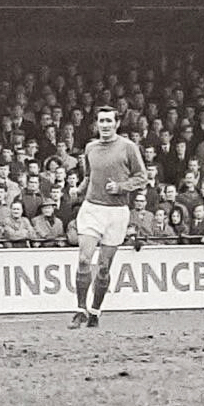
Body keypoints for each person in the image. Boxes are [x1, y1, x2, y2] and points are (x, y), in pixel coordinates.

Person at [69, 106, 148, 329]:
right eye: (101, 121)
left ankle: (95, 310)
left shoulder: (128, 147)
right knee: (84, 259)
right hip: (92, 208)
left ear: (117, 124)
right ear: (97, 124)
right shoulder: (90, 148)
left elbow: (142, 177)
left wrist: (121, 187)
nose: (105, 125)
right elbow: (88, 176)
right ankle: (80, 310)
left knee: (103, 267)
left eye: (108, 121)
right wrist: (78, 190)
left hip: (116, 212)